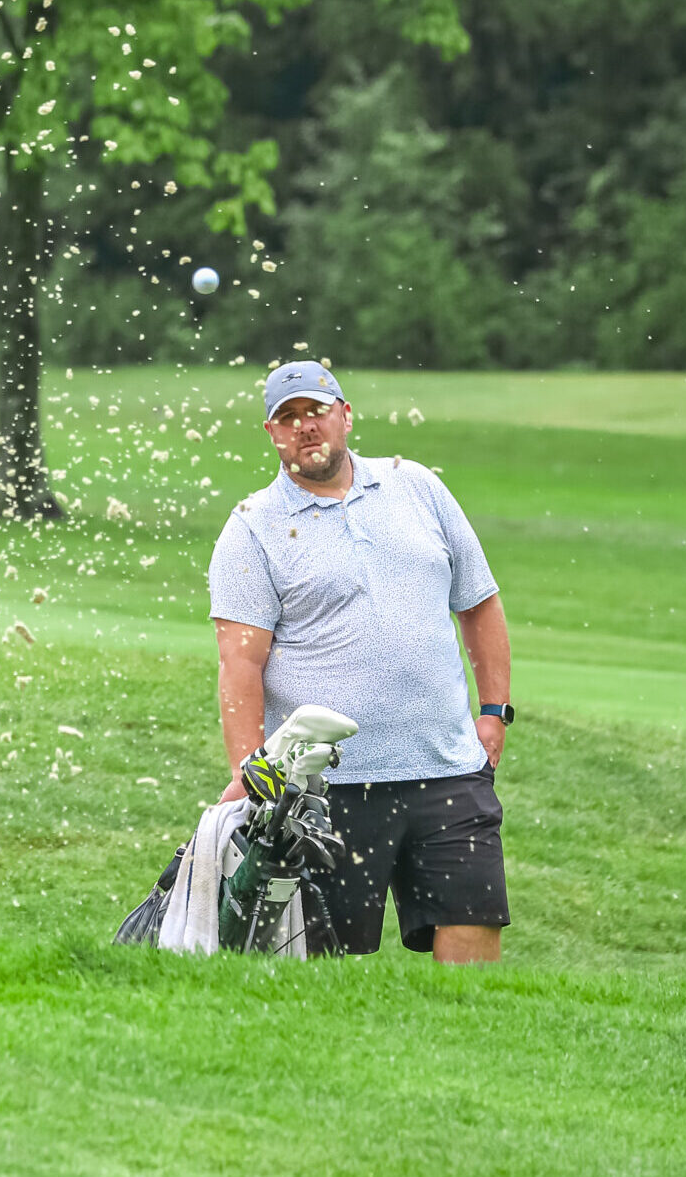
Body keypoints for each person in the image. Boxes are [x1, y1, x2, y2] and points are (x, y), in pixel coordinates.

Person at [205, 361, 515, 962]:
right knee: (326, 966)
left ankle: (468, 1055)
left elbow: (479, 603)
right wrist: (249, 768)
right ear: (271, 434)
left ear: (345, 415)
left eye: (316, 412)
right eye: (287, 418)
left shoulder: (417, 487)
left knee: (474, 946)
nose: (305, 428)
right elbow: (239, 666)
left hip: (447, 768)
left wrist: (494, 712)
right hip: (327, 788)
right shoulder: (251, 528)